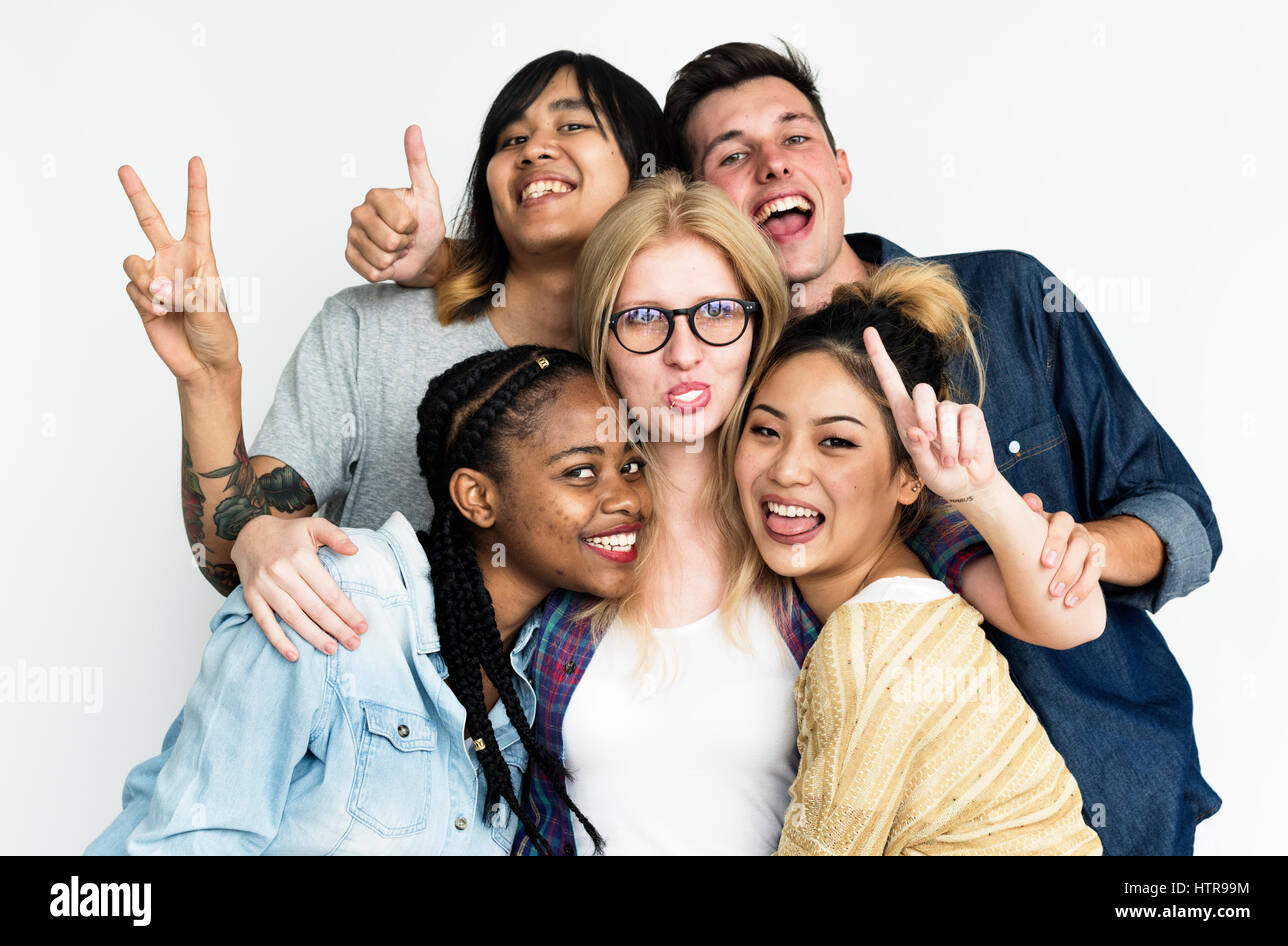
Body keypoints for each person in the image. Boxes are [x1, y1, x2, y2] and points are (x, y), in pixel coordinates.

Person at [657, 40, 1221, 854]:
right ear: (700, 201)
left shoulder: (1008, 296)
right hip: (888, 811)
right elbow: (604, 311)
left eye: (795, 137)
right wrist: (457, 267)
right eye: (734, 155)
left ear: (841, 168)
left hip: (1113, 791)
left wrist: (1071, 549)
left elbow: (1185, 516)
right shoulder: (717, 375)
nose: (773, 166)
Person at [512, 172, 1103, 856]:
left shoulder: (818, 519)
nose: (683, 351)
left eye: (716, 312)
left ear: (758, 324)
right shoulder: (559, 523)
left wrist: (980, 492)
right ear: (600, 339)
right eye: (643, 318)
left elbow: (1071, 619)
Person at [117, 50, 670, 660]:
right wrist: (208, 379)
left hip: (562, 738)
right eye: (511, 137)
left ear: (647, 171)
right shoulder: (369, 328)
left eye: (572, 125)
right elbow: (233, 557)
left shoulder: (680, 355)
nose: (534, 148)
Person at [87, 345, 649, 854]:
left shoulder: (545, 676)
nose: (625, 497)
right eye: (580, 472)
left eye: (631, 466)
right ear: (477, 498)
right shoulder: (324, 599)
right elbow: (189, 843)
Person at [725, 263, 1101, 855]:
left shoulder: (872, 640)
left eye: (836, 441)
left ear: (909, 477)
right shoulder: (910, 600)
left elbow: (1078, 616)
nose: (787, 469)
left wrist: (979, 488)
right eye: (766, 431)